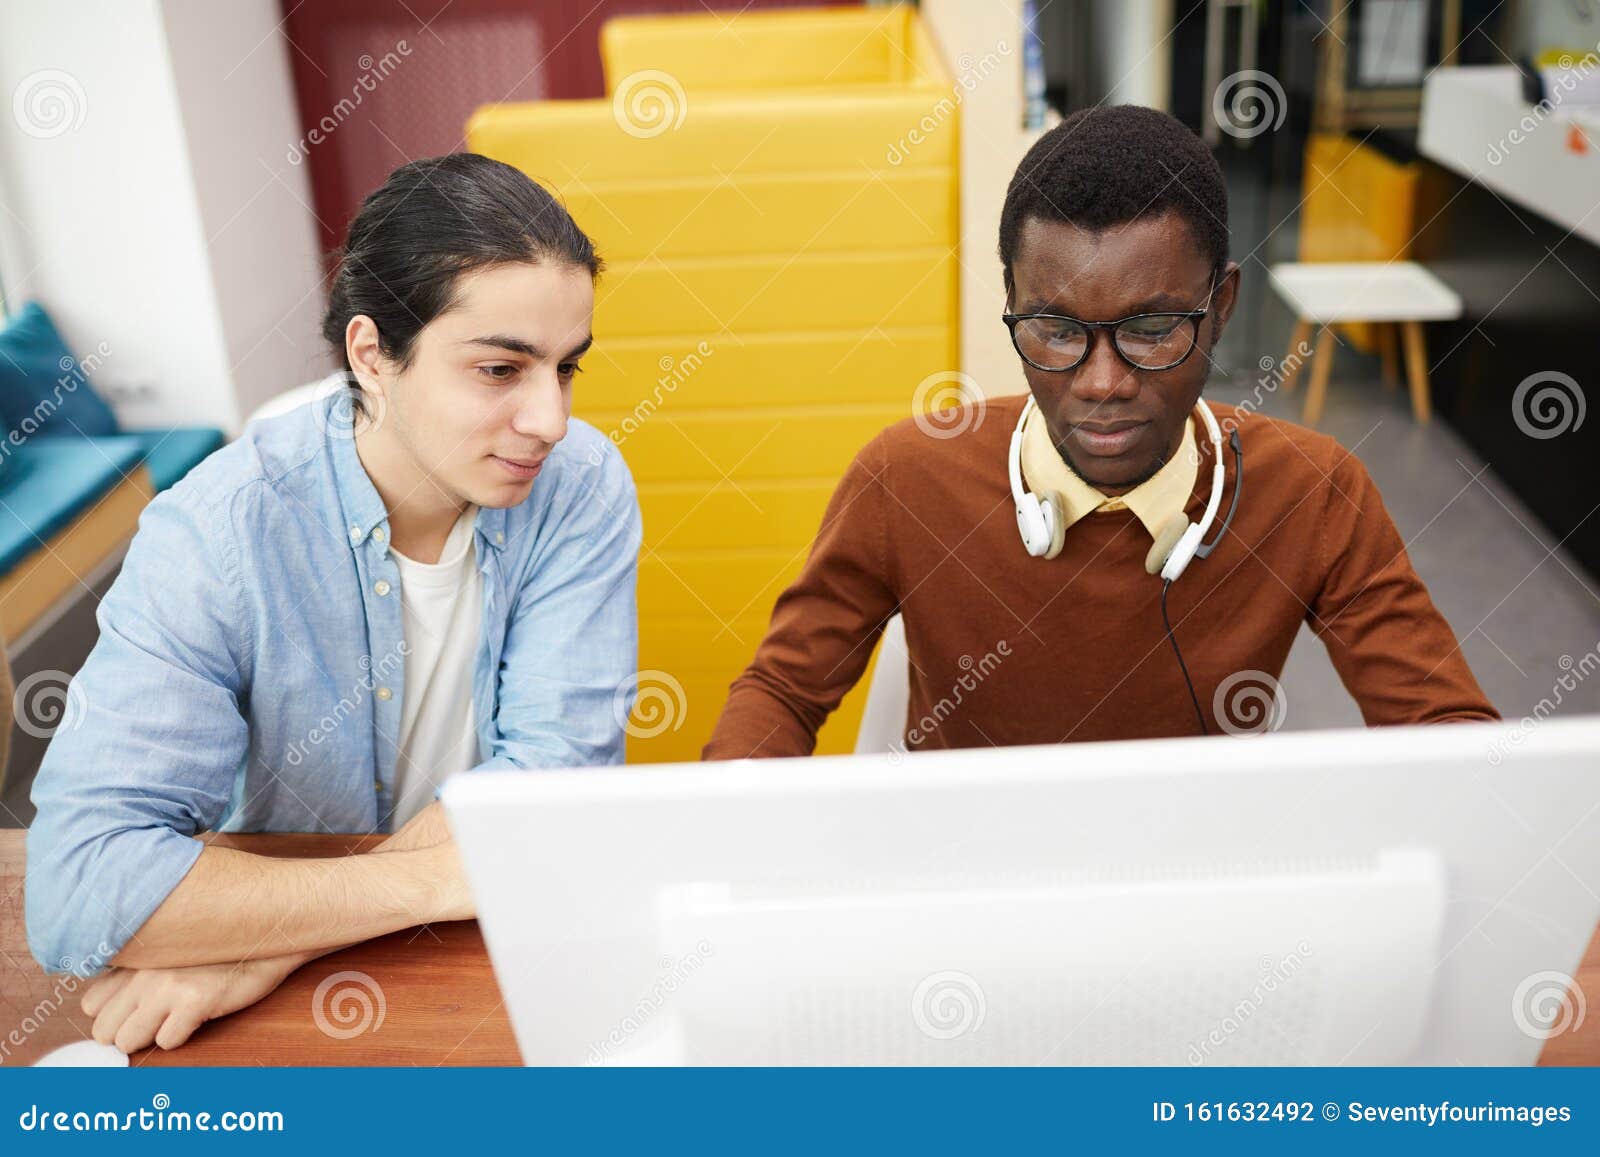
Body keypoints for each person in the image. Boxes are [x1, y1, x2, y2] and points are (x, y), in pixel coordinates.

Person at [26, 153, 641, 1052]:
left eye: (566, 369)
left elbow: (557, 777)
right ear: (371, 355)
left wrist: (275, 940)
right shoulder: (216, 531)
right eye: (502, 370)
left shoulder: (580, 485)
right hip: (287, 1025)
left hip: (470, 960)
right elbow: (82, 890)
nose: (551, 418)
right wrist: (433, 881)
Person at [703, 105, 1497, 760]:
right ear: (1012, 302)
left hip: (1189, 899)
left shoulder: (1314, 493)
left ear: (1220, 306)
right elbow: (782, 692)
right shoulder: (905, 477)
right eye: (1053, 328)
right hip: (968, 902)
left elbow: (1452, 740)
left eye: (1152, 328)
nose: (1103, 383)